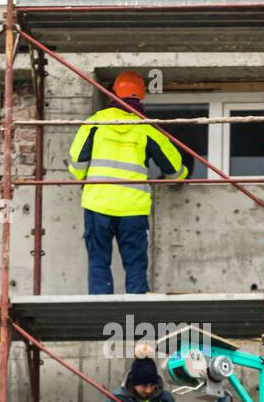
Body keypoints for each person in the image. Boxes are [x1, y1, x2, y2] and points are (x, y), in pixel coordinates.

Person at [68, 71, 188, 295]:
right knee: (135, 262)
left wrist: (82, 177)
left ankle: (100, 302)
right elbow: (175, 170)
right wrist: (179, 176)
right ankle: (136, 301)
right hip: (133, 207)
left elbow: (77, 165)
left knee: (98, 259)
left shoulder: (95, 123)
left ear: (113, 93)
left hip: (98, 203)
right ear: (140, 96)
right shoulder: (147, 128)